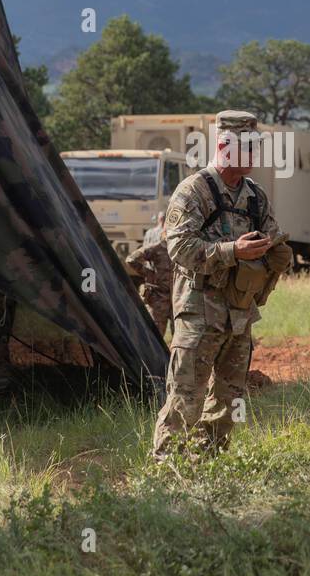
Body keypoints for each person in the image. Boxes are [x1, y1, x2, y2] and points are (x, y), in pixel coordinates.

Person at [151, 110, 292, 458]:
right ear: (223, 144)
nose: (253, 154)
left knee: (229, 399)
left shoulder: (255, 196)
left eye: (255, 146)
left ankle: (209, 462)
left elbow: (272, 239)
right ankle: (166, 466)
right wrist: (234, 252)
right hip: (200, 312)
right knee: (187, 394)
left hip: (240, 313)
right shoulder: (194, 191)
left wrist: (274, 254)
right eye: (246, 147)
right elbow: (180, 248)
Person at [125, 234, 172, 336]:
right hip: (158, 299)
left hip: (177, 299)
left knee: (179, 340)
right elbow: (131, 260)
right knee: (155, 336)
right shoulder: (156, 248)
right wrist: (148, 273)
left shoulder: (180, 249)